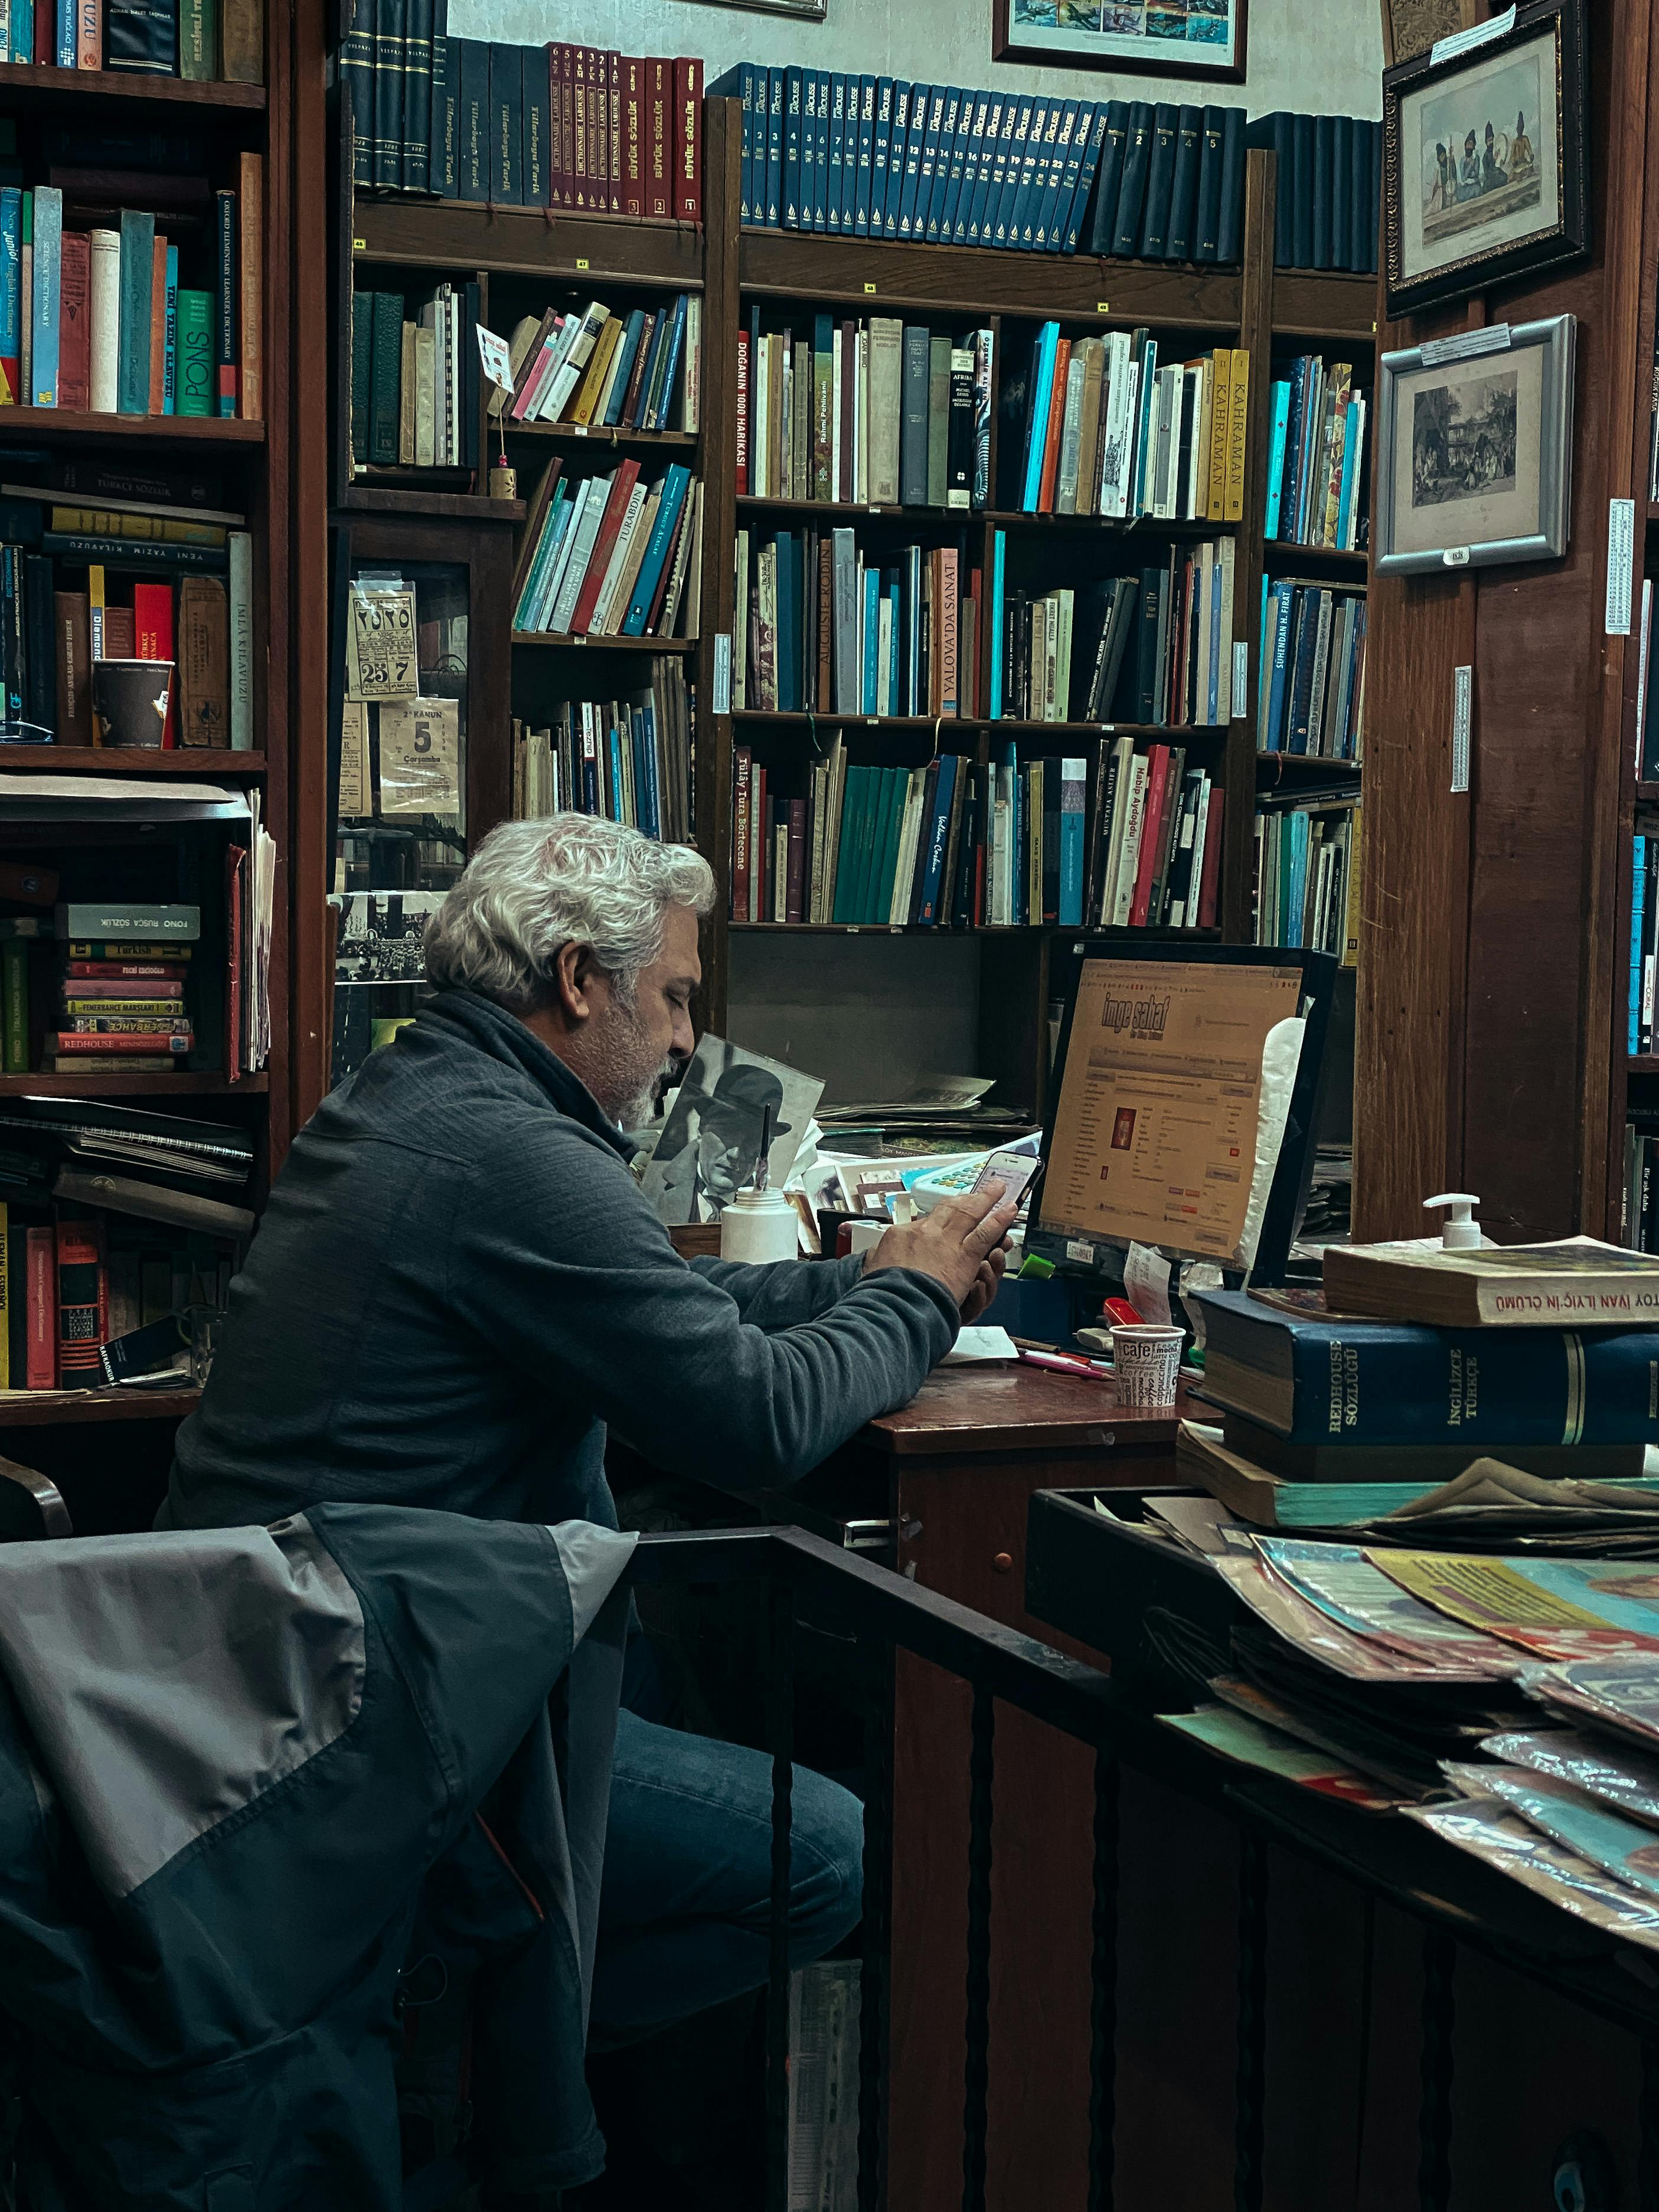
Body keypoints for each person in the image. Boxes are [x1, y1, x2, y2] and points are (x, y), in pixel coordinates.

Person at [161, 817, 1017, 2098]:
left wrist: (865, 1279)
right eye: (673, 996)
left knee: (678, 1675)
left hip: (285, 1649)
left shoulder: (428, 1091)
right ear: (577, 979)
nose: (684, 1040)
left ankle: (477, 2036)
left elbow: (654, 1308)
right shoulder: (512, 1152)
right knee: (826, 1850)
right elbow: (759, 1421)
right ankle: (459, 2060)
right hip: (362, 1711)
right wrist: (916, 1299)